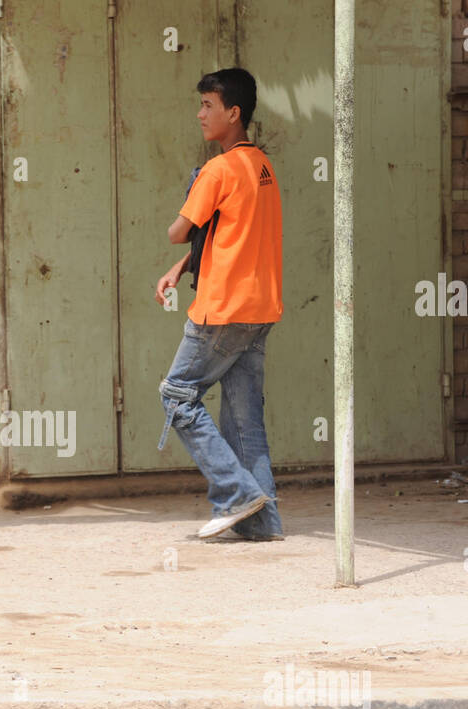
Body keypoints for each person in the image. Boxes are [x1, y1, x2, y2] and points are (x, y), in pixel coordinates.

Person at [155, 67, 284, 541]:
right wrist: (182, 267)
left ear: (234, 113)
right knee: (245, 421)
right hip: (260, 308)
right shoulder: (262, 167)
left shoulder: (218, 170)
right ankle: (263, 525)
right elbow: (234, 238)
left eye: (209, 105)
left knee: (177, 395)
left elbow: (178, 230)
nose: (200, 114)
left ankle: (233, 494)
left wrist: (191, 199)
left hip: (222, 309)